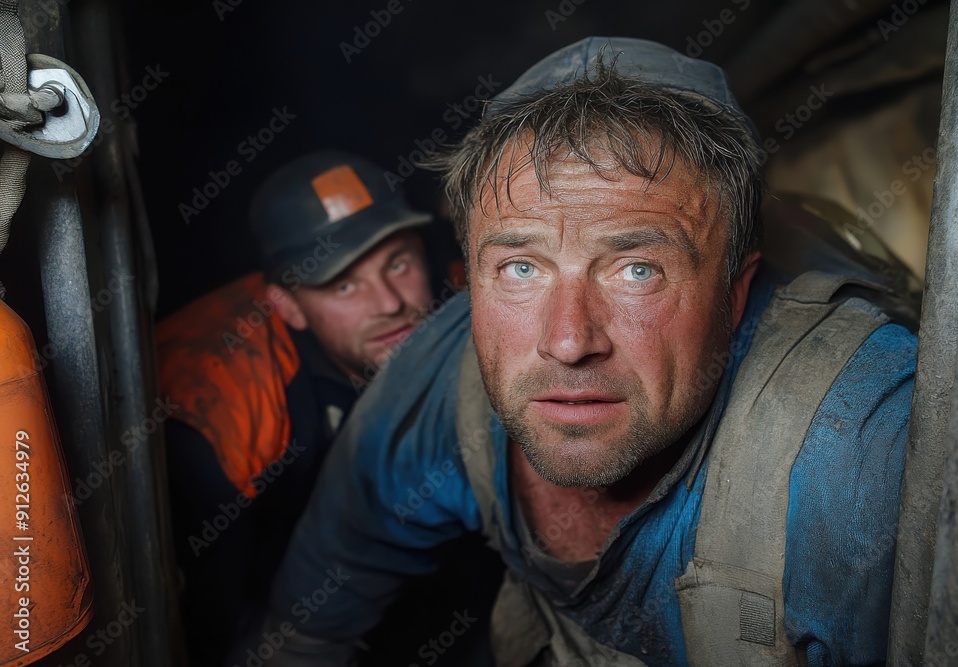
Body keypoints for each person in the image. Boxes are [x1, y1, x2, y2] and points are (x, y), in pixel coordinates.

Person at [261, 38, 917, 666]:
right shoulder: (433, 385)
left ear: (736, 292)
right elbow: (304, 633)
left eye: (637, 270)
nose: (569, 342)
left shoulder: (867, 458)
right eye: (521, 268)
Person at [156, 150, 437, 665]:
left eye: (397, 263)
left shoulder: (478, 297)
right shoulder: (224, 416)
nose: (390, 303)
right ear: (289, 306)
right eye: (345, 284)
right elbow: (205, 618)